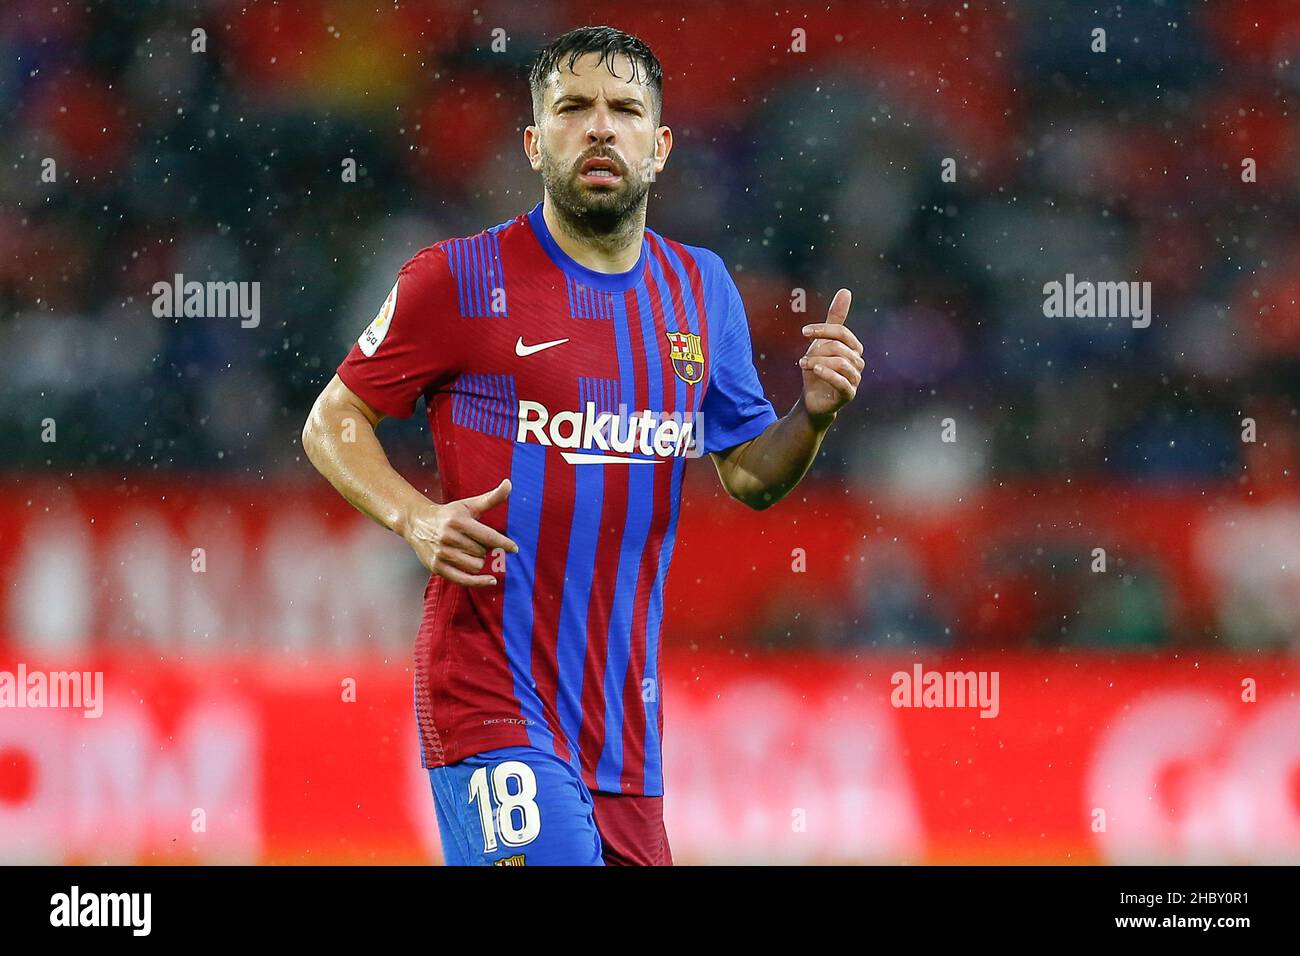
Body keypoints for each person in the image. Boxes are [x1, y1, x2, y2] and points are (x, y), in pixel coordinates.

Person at [302, 25, 862, 865]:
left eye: (625, 110)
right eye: (573, 109)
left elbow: (747, 475)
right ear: (534, 142)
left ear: (660, 146)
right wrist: (414, 518)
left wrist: (810, 419)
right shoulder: (457, 279)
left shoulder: (701, 290)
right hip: (489, 694)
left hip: (623, 728)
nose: (601, 127)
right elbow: (331, 422)